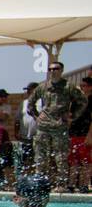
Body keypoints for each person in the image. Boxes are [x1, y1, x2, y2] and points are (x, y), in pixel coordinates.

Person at [30, 61, 88, 190]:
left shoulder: (68, 86)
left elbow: (83, 101)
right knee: (40, 155)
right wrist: (36, 116)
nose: (52, 71)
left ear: (61, 70)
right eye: (50, 69)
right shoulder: (42, 87)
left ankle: (61, 184)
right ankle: (41, 183)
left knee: (60, 156)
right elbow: (30, 103)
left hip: (60, 126)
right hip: (43, 126)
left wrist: (72, 116)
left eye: (55, 69)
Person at [69, 77, 92, 193]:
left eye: (84, 85)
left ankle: (84, 185)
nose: (82, 88)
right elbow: (71, 117)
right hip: (74, 134)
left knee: (86, 161)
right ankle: (71, 185)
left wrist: (89, 135)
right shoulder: (77, 101)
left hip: (85, 134)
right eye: (81, 85)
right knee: (73, 161)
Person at [15, 81, 39, 173]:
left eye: (30, 90)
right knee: (25, 160)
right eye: (27, 90)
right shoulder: (23, 103)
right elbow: (17, 119)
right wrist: (16, 131)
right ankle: (26, 179)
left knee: (37, 160)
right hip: (25, 137)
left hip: (38, 137)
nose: (28, 92)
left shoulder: (42, 102)